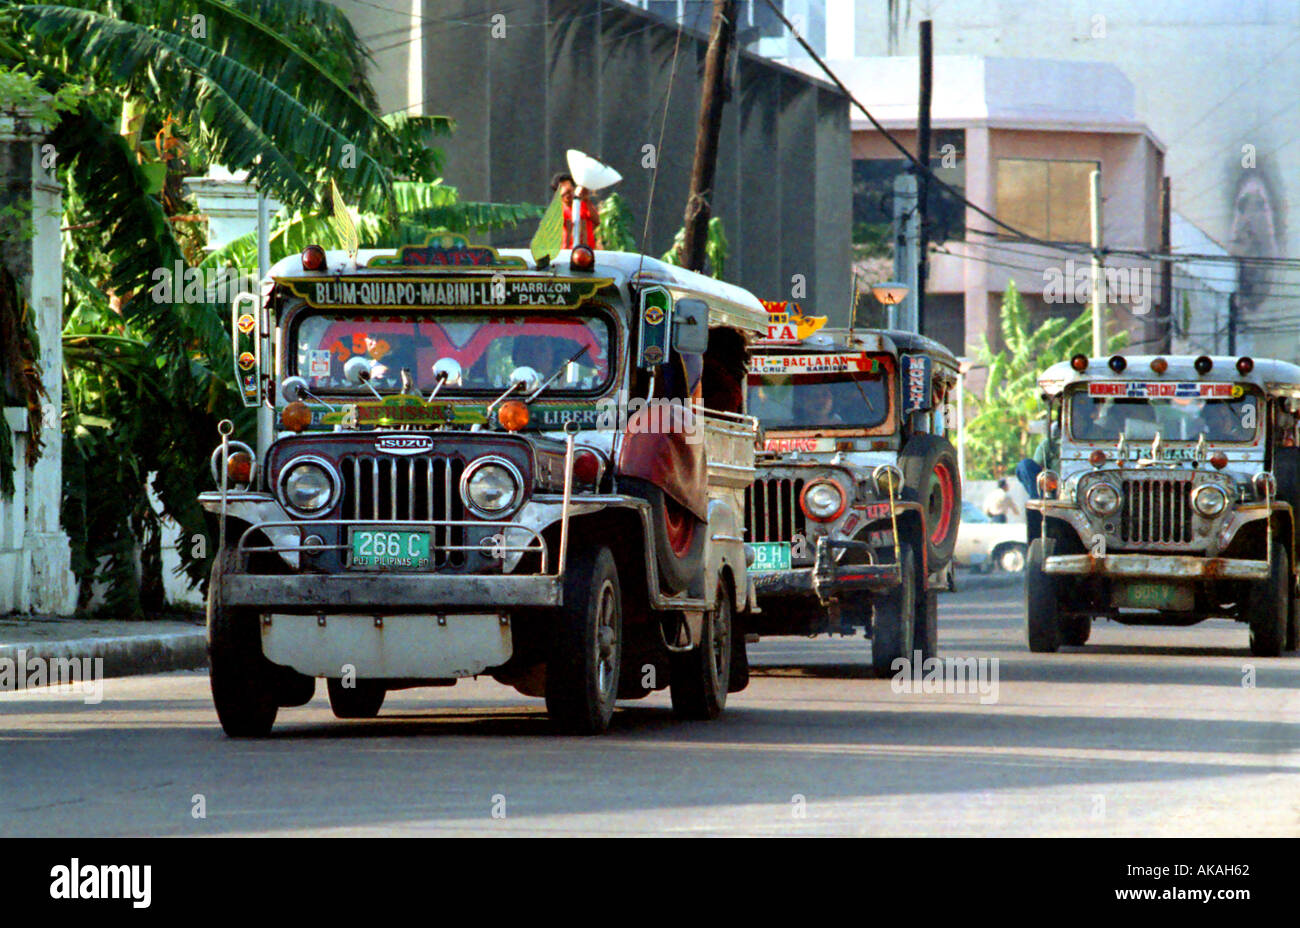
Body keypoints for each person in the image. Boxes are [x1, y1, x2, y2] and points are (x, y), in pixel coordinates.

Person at [551, 172, 598, 249]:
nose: (569, 194)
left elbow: (596, 221)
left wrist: (586, 200)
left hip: (587, 253)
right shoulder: (558, 210)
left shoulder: (584, 204)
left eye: (569, 187)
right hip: (567, 253)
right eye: (562, 187)